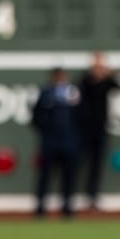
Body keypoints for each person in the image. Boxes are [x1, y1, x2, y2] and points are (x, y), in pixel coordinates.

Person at [31, 67, 82, 218]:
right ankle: (41, 207)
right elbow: (36, 117)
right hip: (50, 141)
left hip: (69, 141)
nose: (60, 79)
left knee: (69, 176)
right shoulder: (45, 93)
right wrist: (46, 131)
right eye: (57, 76)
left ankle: (67, 207)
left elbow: (82, 116)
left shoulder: (74, 93)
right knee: (45, 176)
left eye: (62, 76)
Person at [77, 51, 120, 211]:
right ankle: (72, 196)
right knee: (78, 163)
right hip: (84, 130)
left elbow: (118, 86)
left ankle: (92, 197)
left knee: (96, 165)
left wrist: (108, 73)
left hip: (100, 129)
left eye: (100, 63)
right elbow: (81, 89)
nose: (98, 67)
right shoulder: (84, 81)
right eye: (96, 63)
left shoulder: (107, 82)